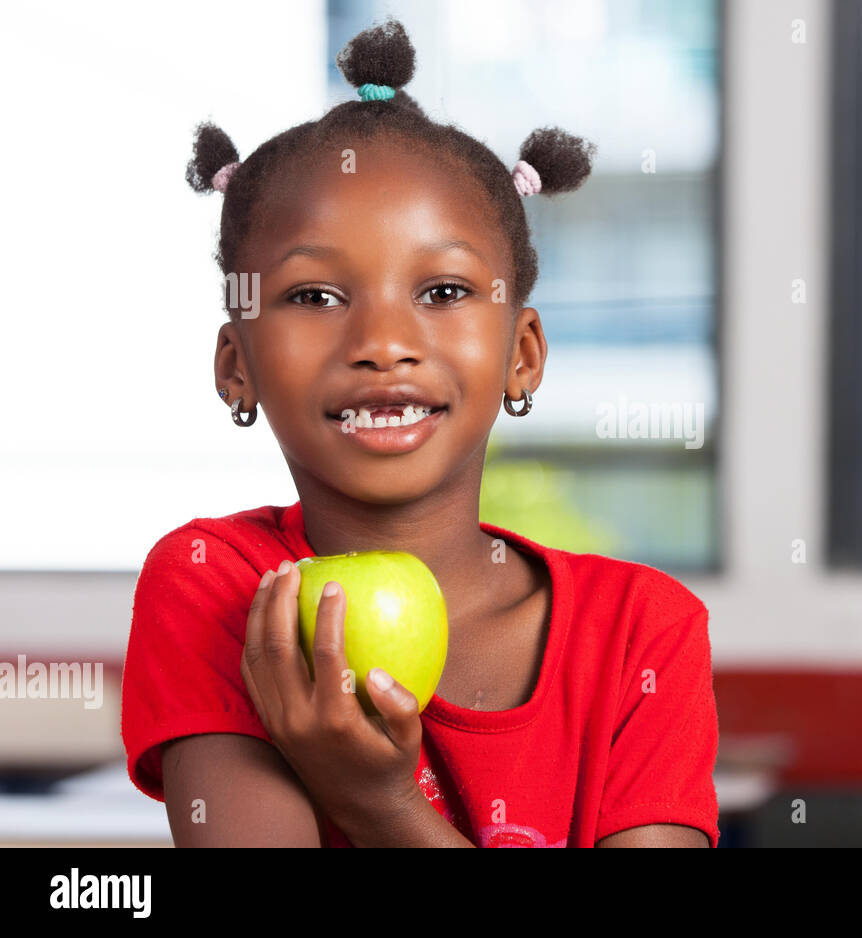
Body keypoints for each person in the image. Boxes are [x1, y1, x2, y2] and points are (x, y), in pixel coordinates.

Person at [120, 17, 719, 848]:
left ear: (523, 353)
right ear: (236, 365)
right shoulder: (218, 588)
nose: (382, 344)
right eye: (314, 297)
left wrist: (382, 806)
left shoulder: (643, 633)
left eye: (442, 291)